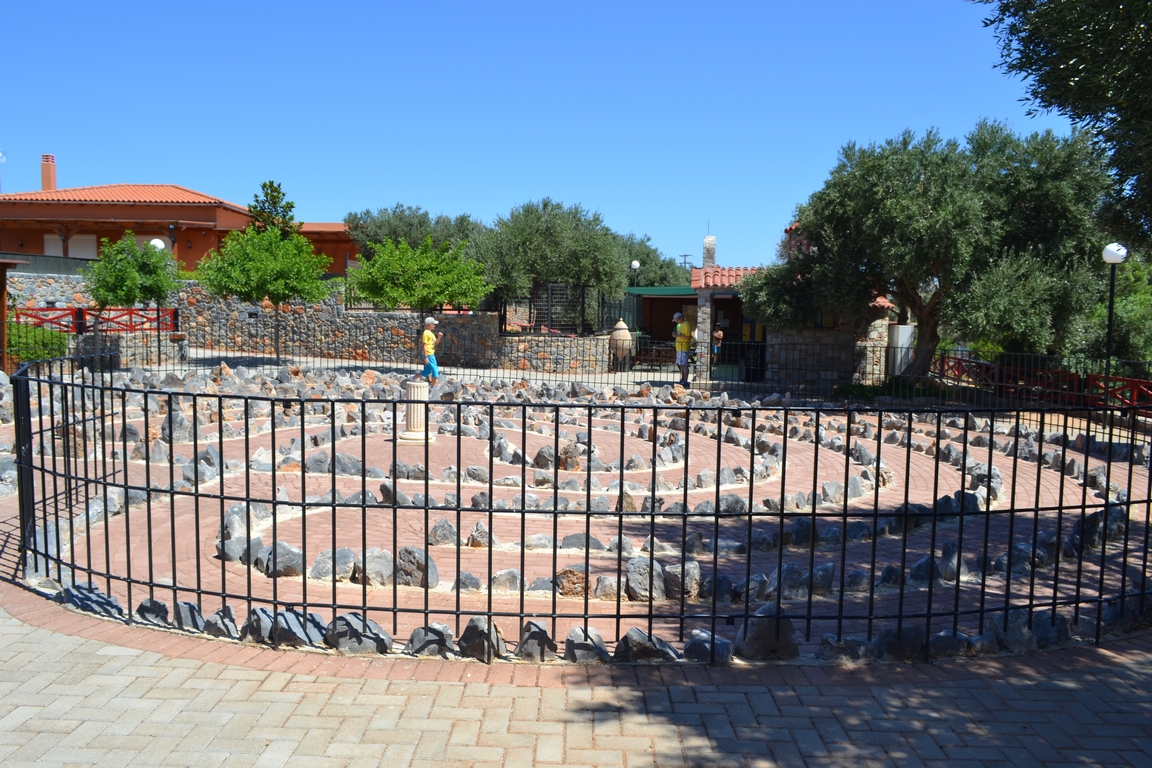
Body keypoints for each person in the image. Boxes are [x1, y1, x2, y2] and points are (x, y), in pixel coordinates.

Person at [417, 316, 444, 386]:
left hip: (430, 354)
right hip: (428, 354)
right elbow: (424, 345)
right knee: (435, 370)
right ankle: (433, 387)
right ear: (429, 325)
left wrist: (439, 337)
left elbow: (436, 343)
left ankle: (412, 378)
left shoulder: (431, 333)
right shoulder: (426, 333)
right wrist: (426, 357)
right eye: (433, 324)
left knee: (427, 371)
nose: (434, 326)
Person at [673, 311, 692, 387]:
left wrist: (678, 336)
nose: (676, 321)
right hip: (678, 347)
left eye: (677, 320)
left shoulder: (686, 325)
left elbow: (688, 337)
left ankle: (685, 380)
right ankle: (682, 379)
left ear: (680, 318)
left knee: (684, 364)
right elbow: (676, 333)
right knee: (680, 364)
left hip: (684, 347)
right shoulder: (678, 325)